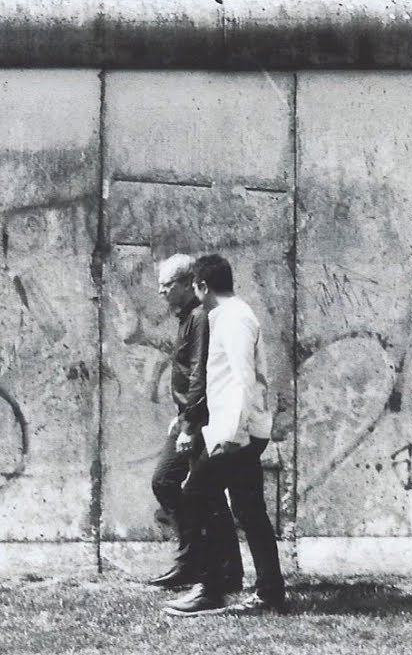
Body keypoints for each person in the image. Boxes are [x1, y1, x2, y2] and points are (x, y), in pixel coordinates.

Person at [163, 253, 286, 617]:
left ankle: (211, 589)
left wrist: (229, 436)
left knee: (195, 494)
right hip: (240, 429)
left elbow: (241, 381)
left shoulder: (232, 320)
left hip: (236, 432)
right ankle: (270, 593)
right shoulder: (233, 314)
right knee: (250, 511)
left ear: (201, 286)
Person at [147, 254, 244, 594]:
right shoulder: (190, 317)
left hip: (200, 419)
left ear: (190, 284)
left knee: (168, 481)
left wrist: (188, 423)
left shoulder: (200, 318)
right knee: (209, 496)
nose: (161, 291)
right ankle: (220, 568)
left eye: (167, 285)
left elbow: (201, 373)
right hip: (192, 415)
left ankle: (199, 564)